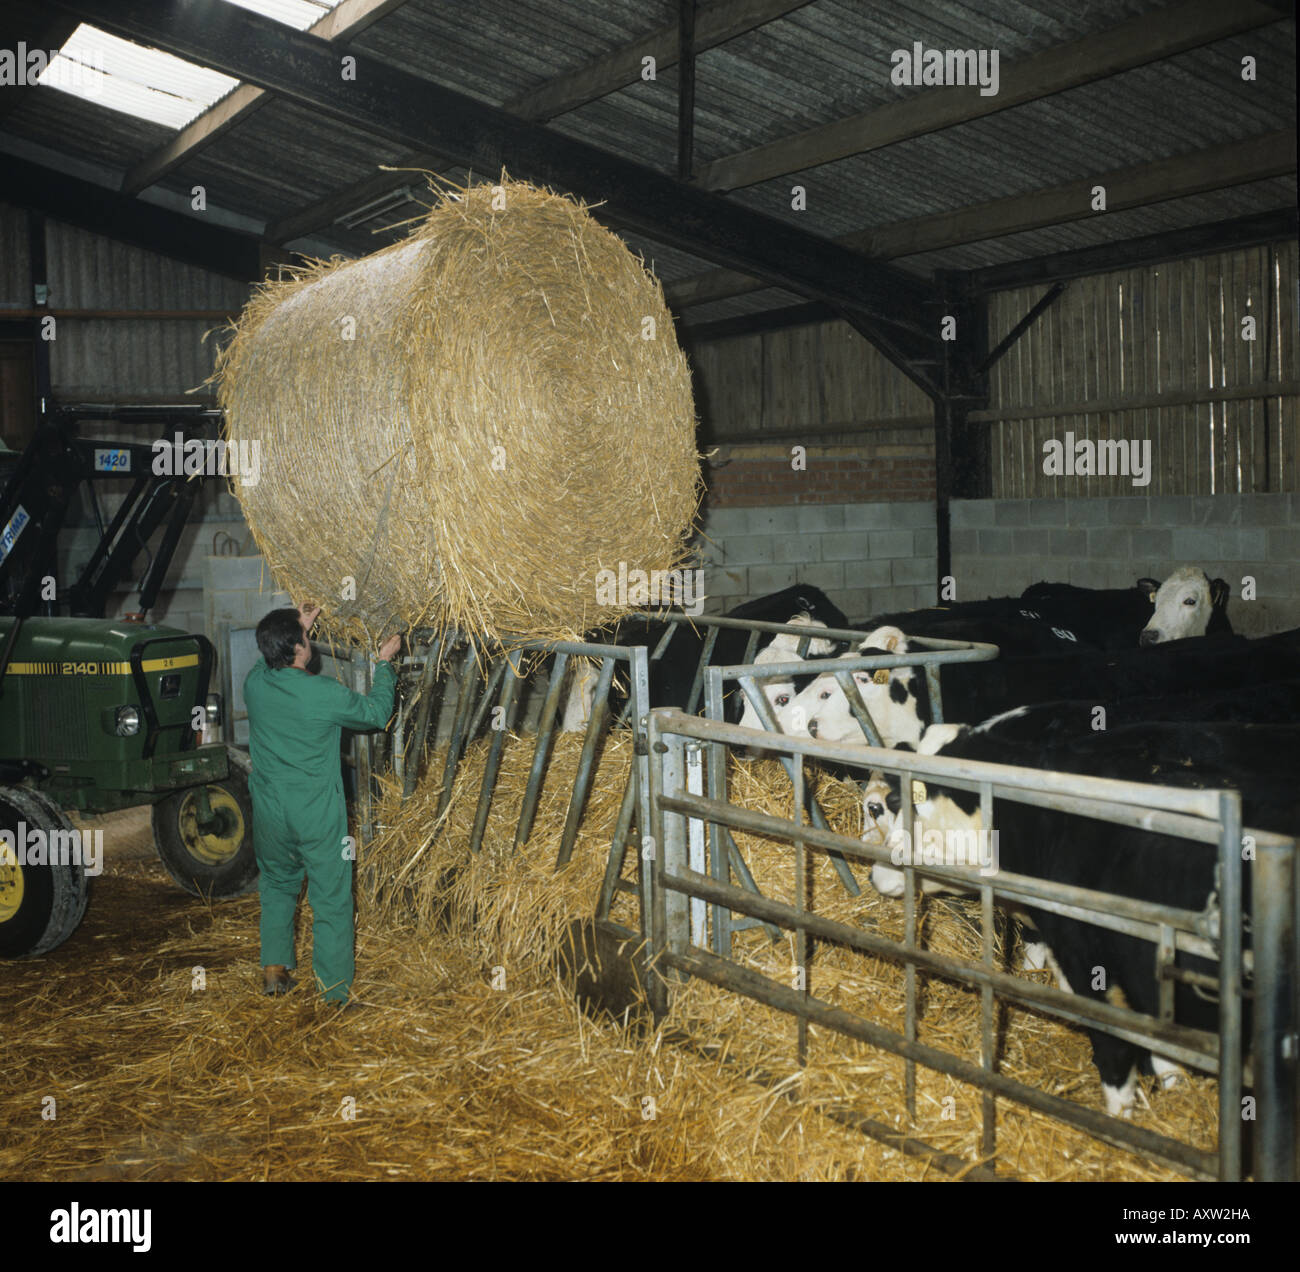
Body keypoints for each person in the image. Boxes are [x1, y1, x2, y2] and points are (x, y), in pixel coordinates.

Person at [243, 604, 401, 1005]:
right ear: (298, 649)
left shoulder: (254, 684)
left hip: (268, 812)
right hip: (314, 813)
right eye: (306, 638)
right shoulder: (322, 693)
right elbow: (377, 714)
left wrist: (297, 629)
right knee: (331, 897)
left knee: (278, 885)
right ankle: (332, 993)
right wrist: (384, 665)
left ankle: (274, 971)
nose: (310, 642)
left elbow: (270, 661)